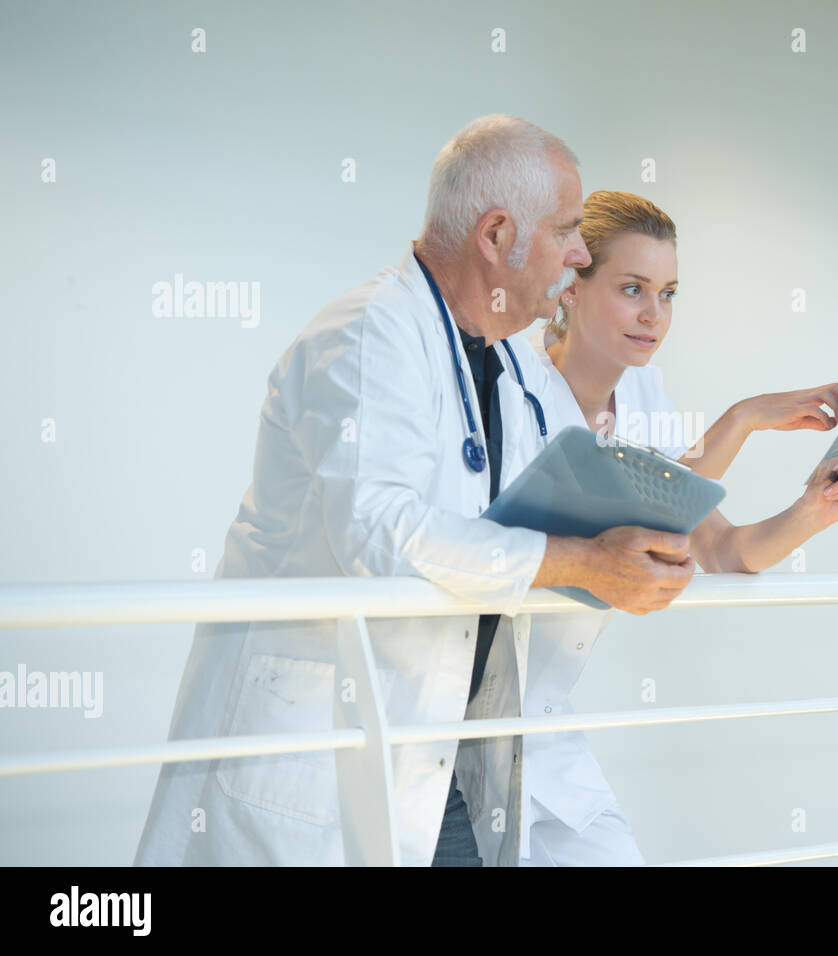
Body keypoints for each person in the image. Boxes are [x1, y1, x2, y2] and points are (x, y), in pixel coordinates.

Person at [133, 117, 696, 867]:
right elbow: (385, 535)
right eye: (566, 230)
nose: (580, 252)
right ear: (497, 236)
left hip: (440, 756)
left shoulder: (519, 373)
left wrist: (642, 543)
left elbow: (580, 494)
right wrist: (587, 562)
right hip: (317, 752)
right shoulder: (368, 335)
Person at [513, 190, 838, 866]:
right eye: (632, 289)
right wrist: (742, 418)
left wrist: (811, 510)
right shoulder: (513, 383)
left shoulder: (644, 396)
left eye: (670, 293)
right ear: (571, 284)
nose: (655, 316)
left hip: (541, 706)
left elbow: (722, 548)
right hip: (459, 694)